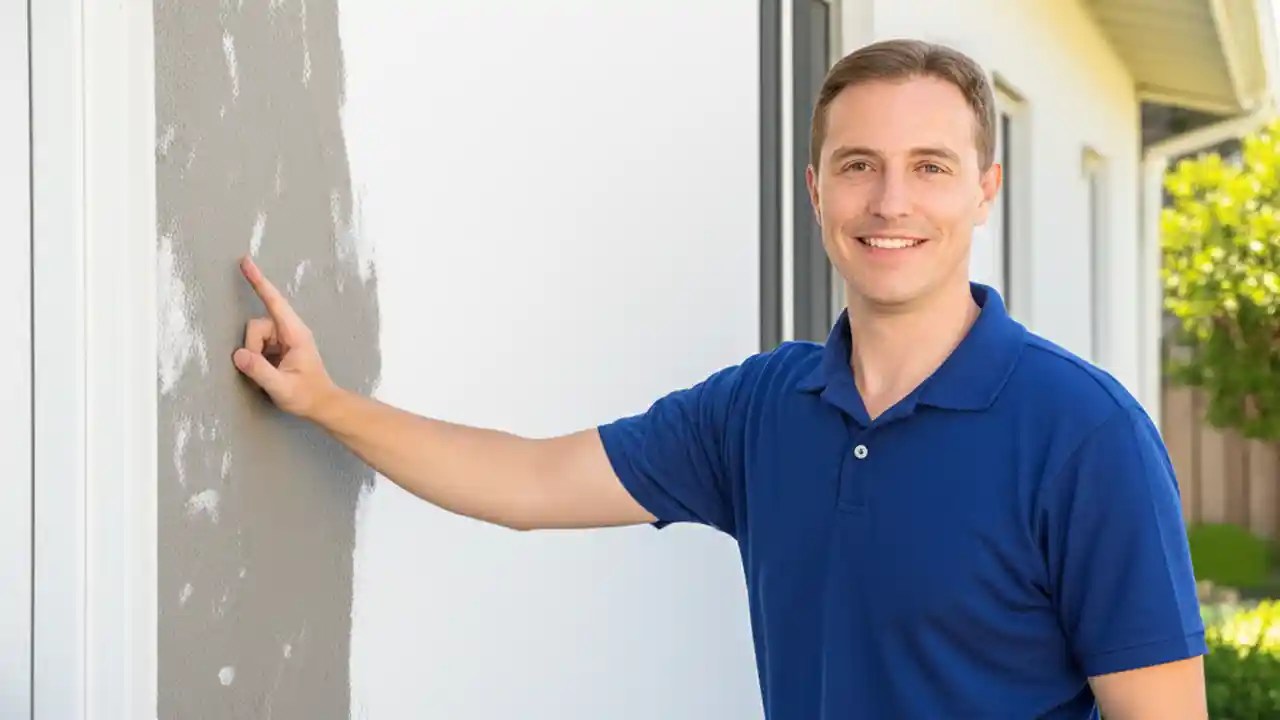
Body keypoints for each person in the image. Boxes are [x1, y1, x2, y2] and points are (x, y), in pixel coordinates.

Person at [232, 38, 1207, 720]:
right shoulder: (761, 410)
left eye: (930, 167)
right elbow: (528, 483)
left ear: (983, 189)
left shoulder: (1082, 436)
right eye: (858, 164)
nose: (891, 200)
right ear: (817, 188)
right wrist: (324, 401)